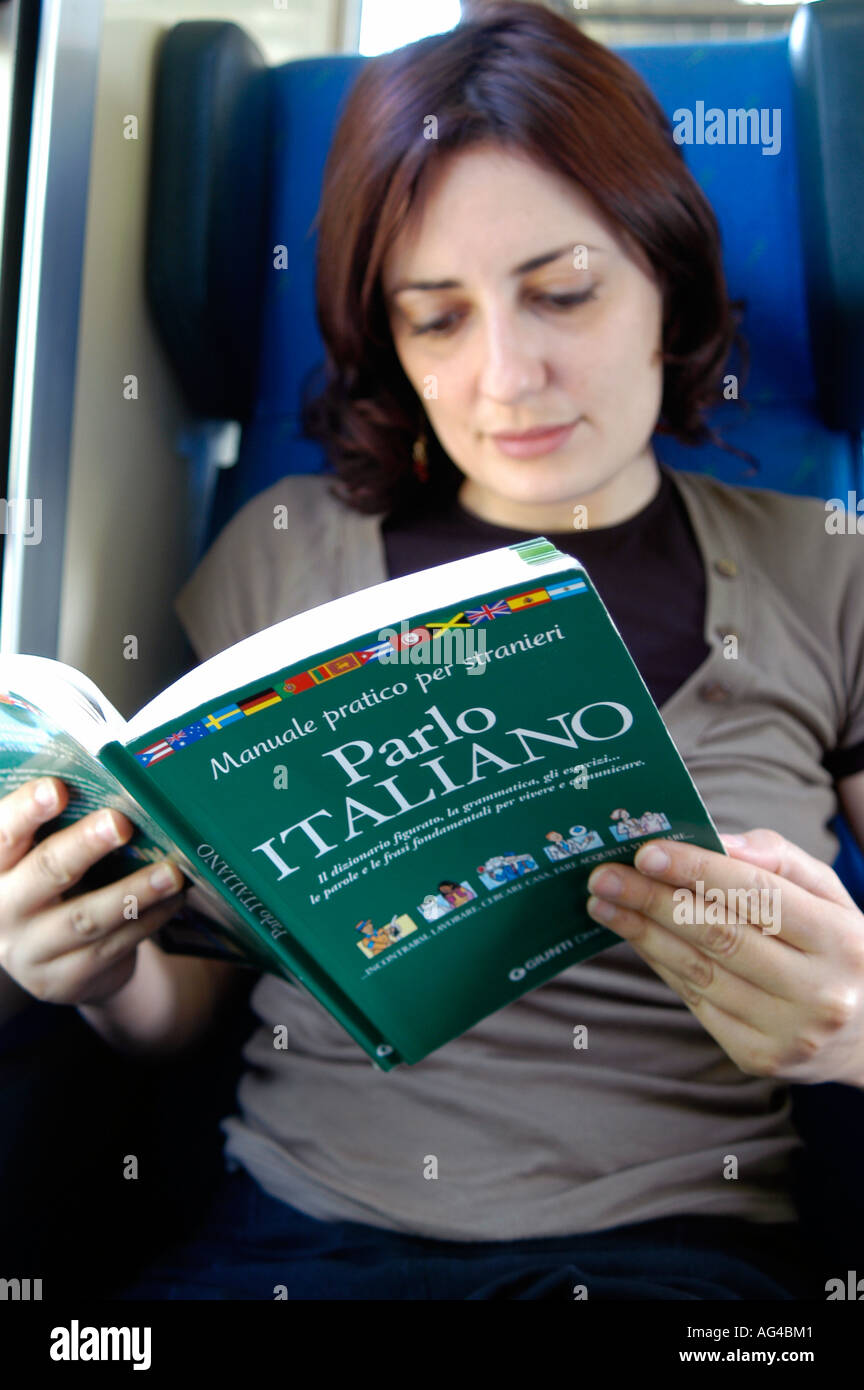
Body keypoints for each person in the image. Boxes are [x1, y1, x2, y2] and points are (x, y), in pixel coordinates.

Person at [2, 1, 863, 1300]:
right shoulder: (278, 554)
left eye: (563, 292)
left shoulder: (828, 566)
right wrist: (95, 967)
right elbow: (186, 1000)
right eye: (437, 318)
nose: (508, 378)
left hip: (676, 1258)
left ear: (666, 285)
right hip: (290, 1243)